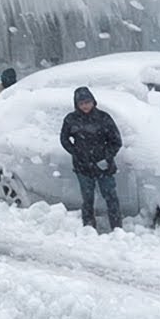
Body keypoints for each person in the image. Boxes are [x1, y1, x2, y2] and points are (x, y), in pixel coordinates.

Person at [60, 87, 123, 231]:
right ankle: (89, 228)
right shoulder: (71, 119)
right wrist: (76, 152)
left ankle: (117, 228)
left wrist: (106, 156)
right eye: (81, 103)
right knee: (87, 199)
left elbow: (116, 141)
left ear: (93, 101)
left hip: (103, 166)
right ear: (77, 104)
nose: (85, 106)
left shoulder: (104, 118)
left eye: (87, 102)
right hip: (83, 167)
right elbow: (64, 139)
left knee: (111, 197)